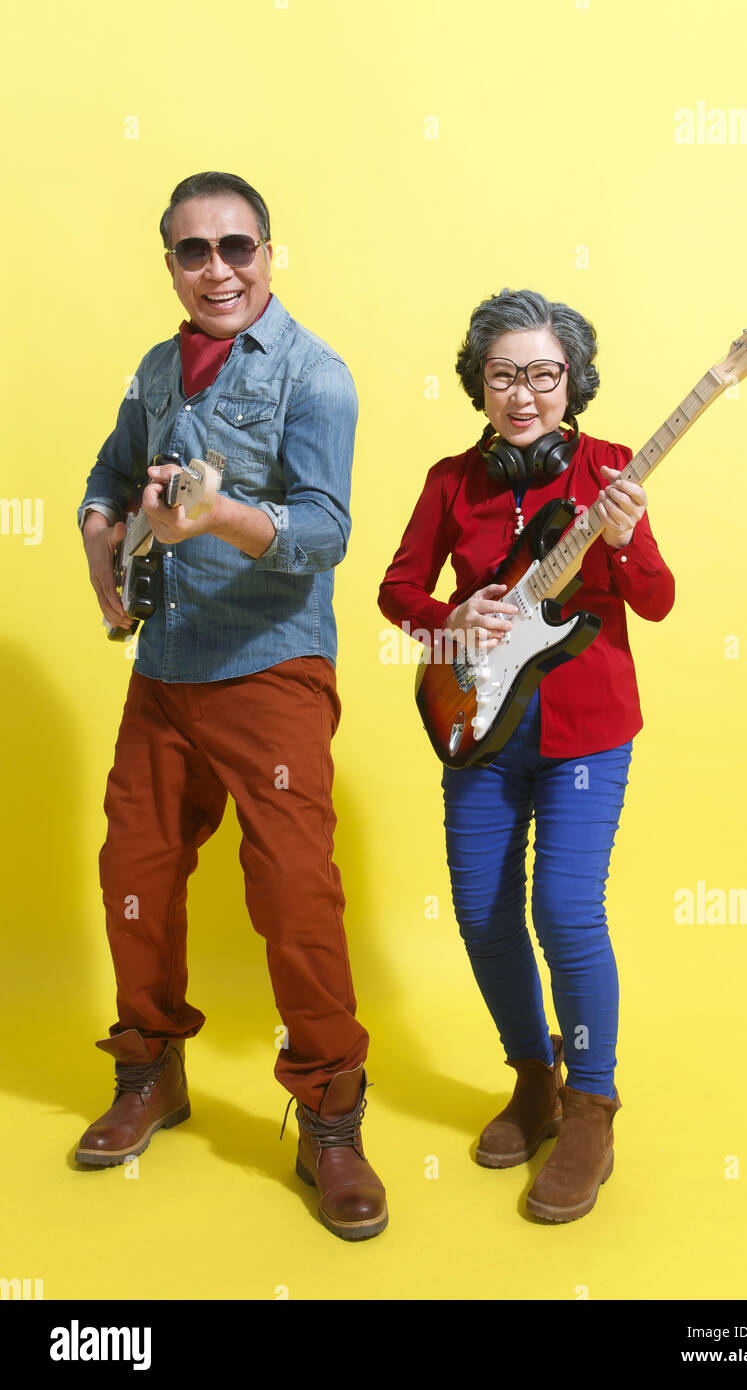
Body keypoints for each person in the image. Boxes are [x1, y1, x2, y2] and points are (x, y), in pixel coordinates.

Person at [75, 170, 387, 1242]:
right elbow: (110, 474)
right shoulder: (160, 368)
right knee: (134, 873)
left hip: (270, 669)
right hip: (163, 668)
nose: (217, 269)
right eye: (193, 251)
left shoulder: (317, 376)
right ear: (169, 261)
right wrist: (95, 533)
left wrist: (215, 516)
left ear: (269, 252)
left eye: (237, 248)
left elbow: (322, 535)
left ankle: (331, 1114)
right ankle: (150, 1070)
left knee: (296, 891)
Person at [378, 288, 674, 1222]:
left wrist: (622, 545)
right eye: (504, 375)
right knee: (478, 913)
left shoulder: (612, 471)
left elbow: (658, 602)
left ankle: (592, 1104)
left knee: (565, 907)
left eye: (544, 375)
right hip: (475, 725)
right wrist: (446, 615)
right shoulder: (449, 481)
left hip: (587, 732)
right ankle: (533, 1079)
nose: (524, 395)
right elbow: (395, 590)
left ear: (572, 382)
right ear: (479, 383)